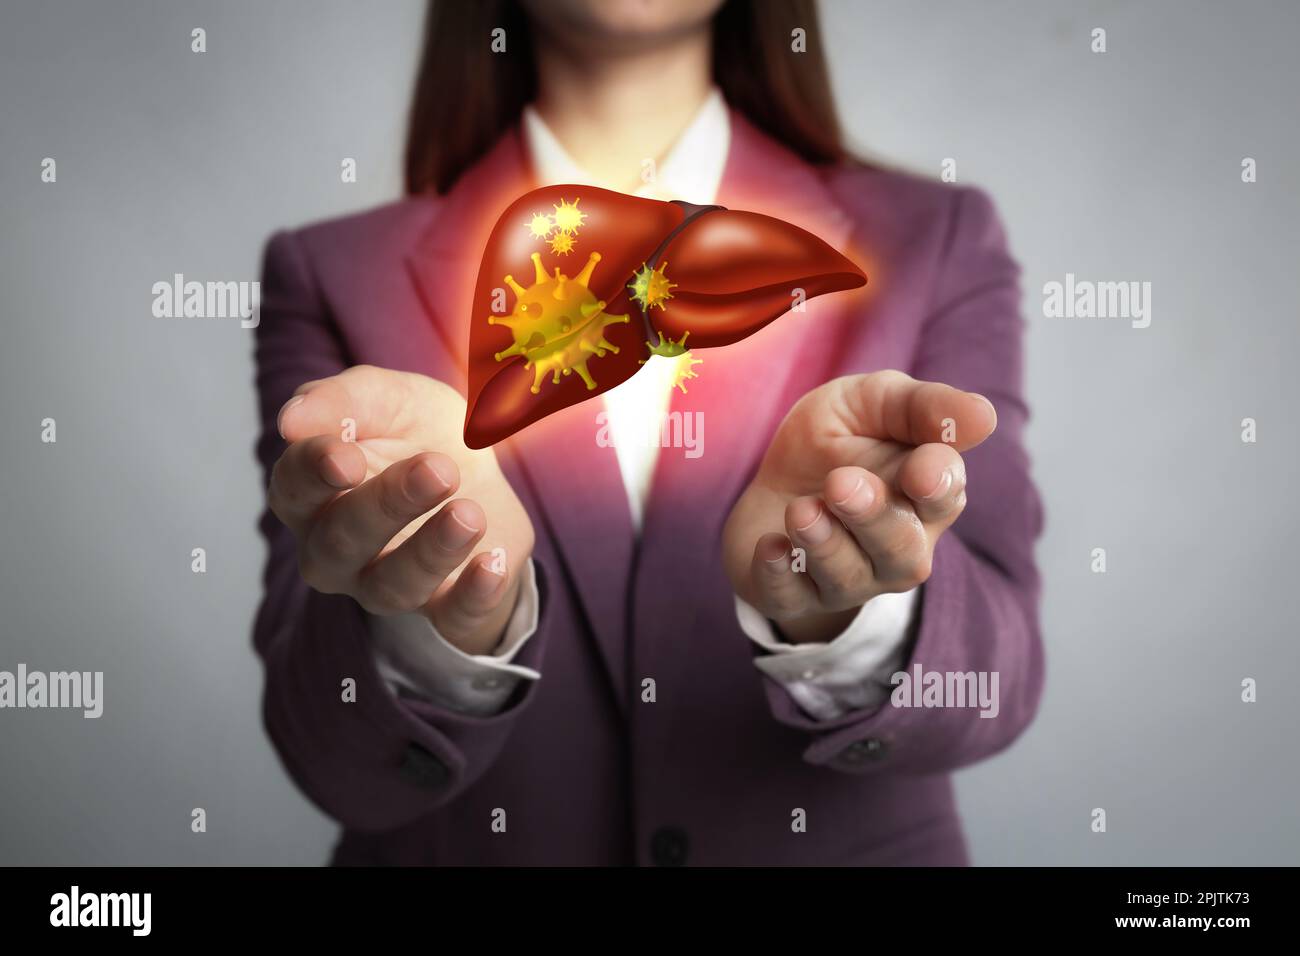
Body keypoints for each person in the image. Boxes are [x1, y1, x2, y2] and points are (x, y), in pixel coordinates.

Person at [253, 0, 1043, 866]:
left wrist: (851, 613)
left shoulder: (933, 239)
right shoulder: (333, 274)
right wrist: (446, 623)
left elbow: (1000, 686)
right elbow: (331, 762)